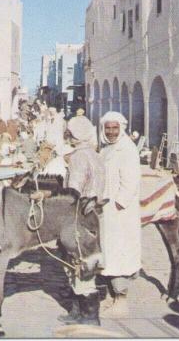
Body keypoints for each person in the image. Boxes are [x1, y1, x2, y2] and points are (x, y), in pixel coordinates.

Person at [59, 115, 106, 326]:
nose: (67, 136)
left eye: (70, 132)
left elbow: (73, 191)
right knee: (86, 262)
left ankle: (89, 316)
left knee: (77, 263)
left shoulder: (78, 157)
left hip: (79, 215)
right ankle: (78, 311)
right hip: (94, 215)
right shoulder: (95, 155)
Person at [98, 111, 141, 318]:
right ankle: (111, 295)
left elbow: (130, 183)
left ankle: (122, 301)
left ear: (121, 128)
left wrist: (118, 205)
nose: (112, 132)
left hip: (120, 213)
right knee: (108, 252)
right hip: (107, 211)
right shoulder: (107, 149)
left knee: (120, 253)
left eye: (115, 128)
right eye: (108, 128)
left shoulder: (127, 149)